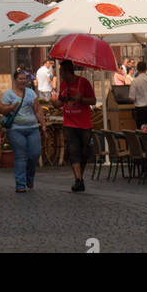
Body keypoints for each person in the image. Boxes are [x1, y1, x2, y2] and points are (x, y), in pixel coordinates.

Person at [0, 69, 46, 193]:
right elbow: (2, 111)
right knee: (20, 155)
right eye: (20, 79)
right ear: (15, 80)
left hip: (32, 128)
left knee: (35, 154)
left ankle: (29, 178)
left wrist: (43, 125)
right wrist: (11, 107)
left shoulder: (31, 93)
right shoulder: (8, 95)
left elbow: (38, 110)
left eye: (24, 79)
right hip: (15, 129)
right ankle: (20, 184)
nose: (23, 81)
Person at [57, 59, 96, 192]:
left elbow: (93, 100)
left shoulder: (83, 82)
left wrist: (82, 99)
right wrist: (55, 103)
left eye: (61, 72)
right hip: (69, 123)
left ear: (68, 72)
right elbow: (60, 101)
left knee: (84, 152)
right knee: (73, 150)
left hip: (84, 124)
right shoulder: (63, 84)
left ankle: (80, 179)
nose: (60, 74)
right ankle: (78, 179)